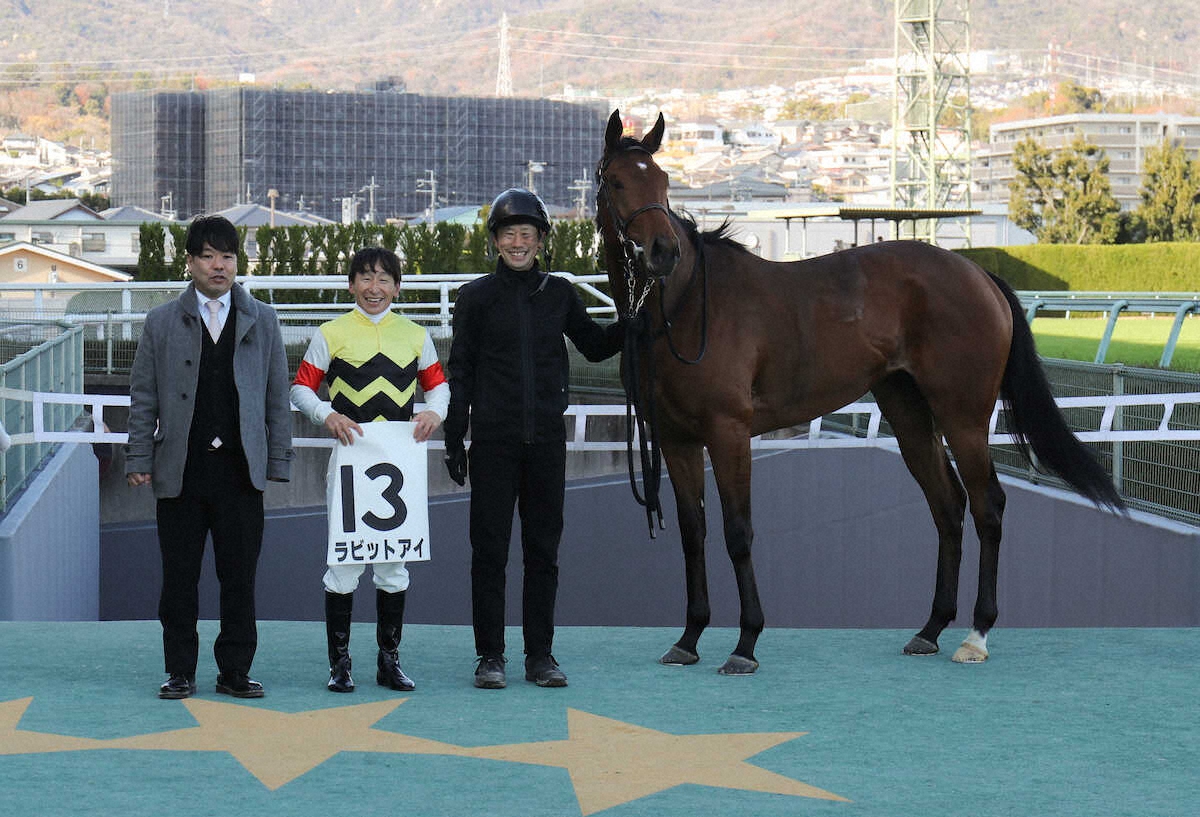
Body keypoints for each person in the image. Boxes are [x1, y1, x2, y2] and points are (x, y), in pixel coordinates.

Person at [443, 188, 622, 689]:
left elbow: (595, 344)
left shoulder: (560, 293)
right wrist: (454, 439)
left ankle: (540, 656)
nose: (518, 242)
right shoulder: (475, 297)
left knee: (543, 553)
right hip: (494, 444)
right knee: (490, 553)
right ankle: (490, 657)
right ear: (495, 241)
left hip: (546, 442)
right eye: (508, 234)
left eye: (527, 234)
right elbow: (462, 371)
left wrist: (635, 320)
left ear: (541, 240)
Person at [126, 215, 293, 700]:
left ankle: (235, 670)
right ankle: (180, 670)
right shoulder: (161, 321)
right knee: (179, 577)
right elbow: (144, 397)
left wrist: (277, 461)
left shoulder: (263, 318)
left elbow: (276, 396)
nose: (218, 266)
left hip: (242, 471)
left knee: (239, 577)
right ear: (190, 263)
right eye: (208, 256)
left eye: (227, 256)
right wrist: (139, 457)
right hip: (180, 469)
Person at [291, 247, 449, 693]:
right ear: (351, 284)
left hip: (400, 464)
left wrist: (434, 414)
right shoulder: (330, 333)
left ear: (397, 287)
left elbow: (439, 388)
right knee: (343, 566)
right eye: (365, 278)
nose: (374, 287)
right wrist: (328, 416)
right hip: (348, 463)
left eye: (383, 279)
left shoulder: (416, 335)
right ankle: (339, 665)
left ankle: (389, 661)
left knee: (393, 567)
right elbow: (301, 389)